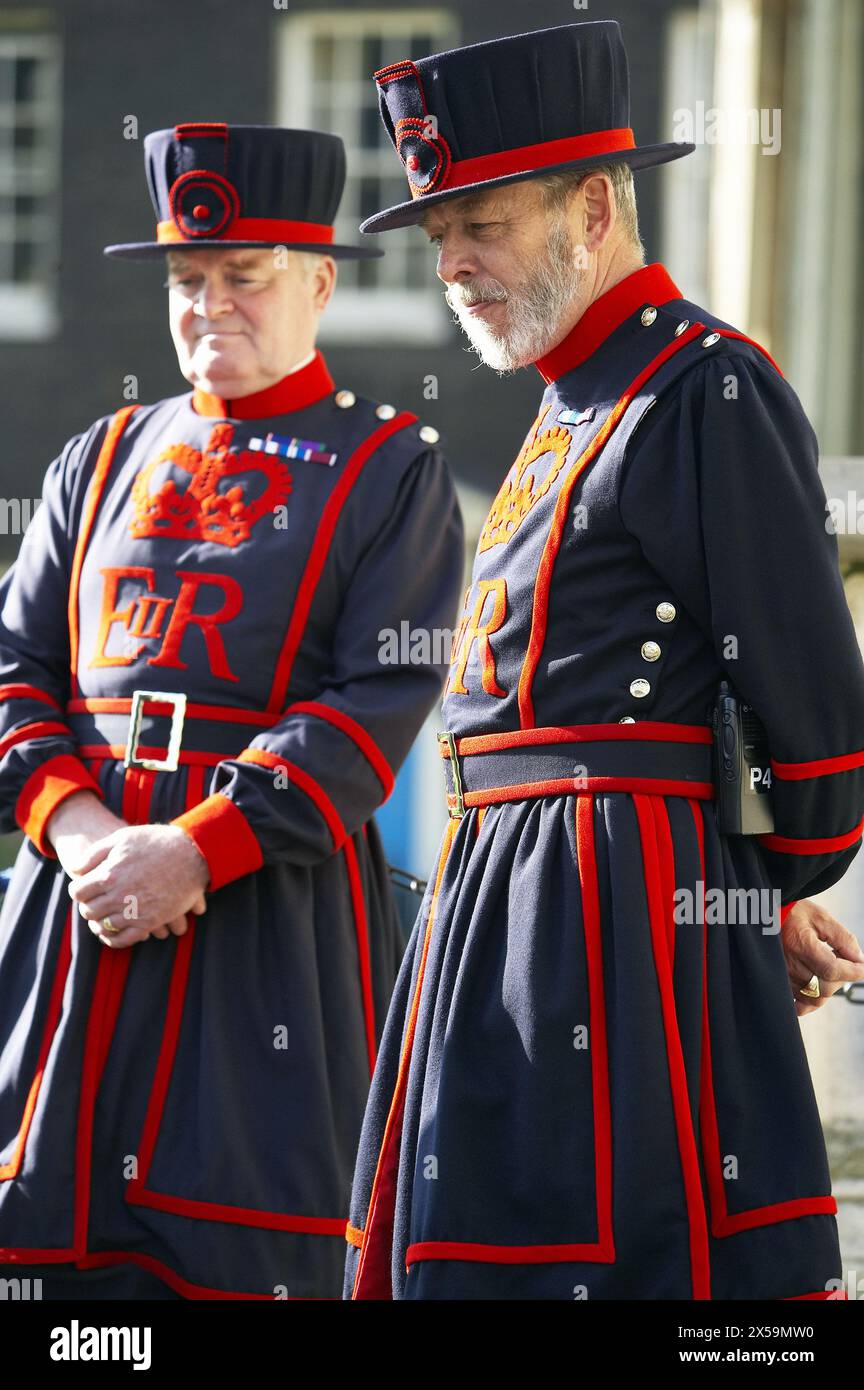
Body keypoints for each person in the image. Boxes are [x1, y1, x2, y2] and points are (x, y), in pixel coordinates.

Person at [343, 20, 864, 1301]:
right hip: (501, 910)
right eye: (438, 236)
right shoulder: (570, 391)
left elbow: (814, 716)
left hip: (618, 935)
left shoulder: (705, 388)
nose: (455, 266)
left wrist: (750, 889)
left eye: (486, 226)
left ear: (591, 206)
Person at [0, 122, 464, 1299]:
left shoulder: (392, 466)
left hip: (269, 924)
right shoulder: (97, 457)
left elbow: (372, 708)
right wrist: (84, 834)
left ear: (317, 281)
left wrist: (192, 851)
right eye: (187, 281)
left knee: (245, 1251)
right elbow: (11, 667)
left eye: (243, 277)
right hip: (73, 914)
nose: (211, 306)